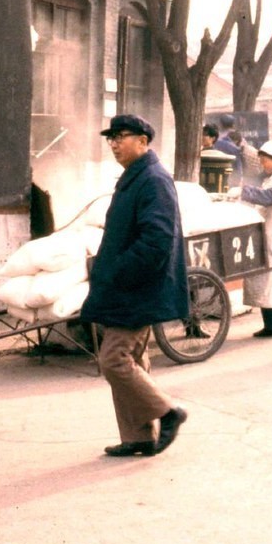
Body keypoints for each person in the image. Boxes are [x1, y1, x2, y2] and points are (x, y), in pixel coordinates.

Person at [80, 114, 189, 457]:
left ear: (143, 141)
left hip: (137, 288)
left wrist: (118, 271)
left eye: (121, 137)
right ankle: (139, 437)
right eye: (110, 138)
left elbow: (156, 242)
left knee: (114, 359)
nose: (113, 143)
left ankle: (168, 411)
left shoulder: (153, 180)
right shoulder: (134, 177)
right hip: (123, 287)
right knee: (132, 360)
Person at [233, 140, 272, 337]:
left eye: (266, 161)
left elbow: (270, 197)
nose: (263, 164)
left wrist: (243, 192)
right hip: (271, 233)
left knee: (269, 280)